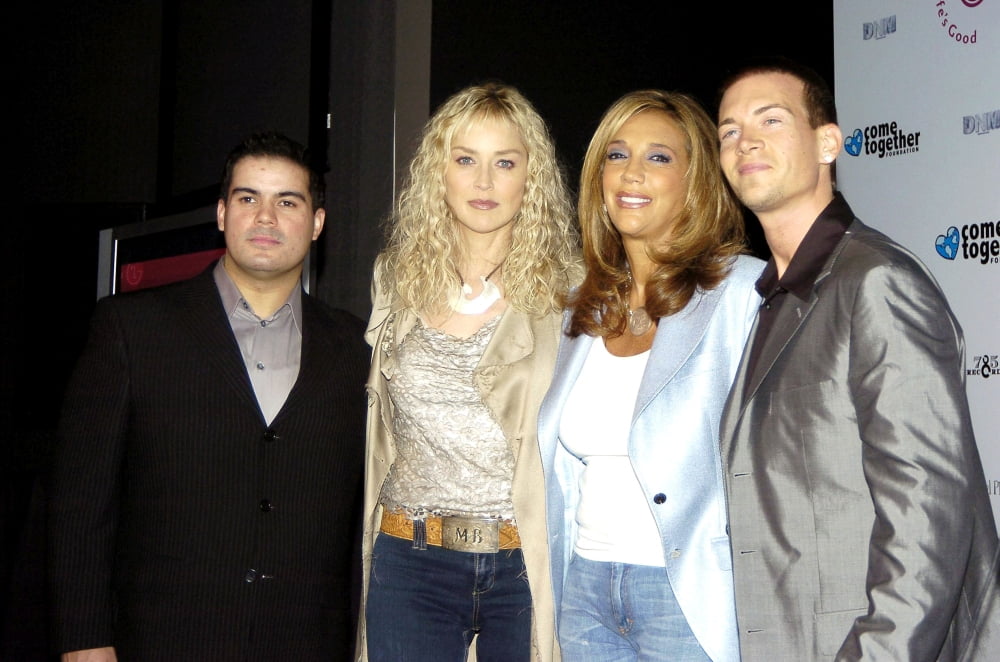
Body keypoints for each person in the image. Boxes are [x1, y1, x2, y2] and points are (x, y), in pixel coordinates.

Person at [715, 56, 1000, 661]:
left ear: (827, 143)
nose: (746, 141)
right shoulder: (769, 300)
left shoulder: (876, 283)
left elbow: (929, 519)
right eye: (729, 131)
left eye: (770, 120)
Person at [46, 131, 369, 661]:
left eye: (287, 202)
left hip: (307, 643)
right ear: (221, 214)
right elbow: (81, 504)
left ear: (316, 223)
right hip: (162, 640)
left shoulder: (359, 350)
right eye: (248, 199)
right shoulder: (131, 330)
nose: (266, 217)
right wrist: (84, 640)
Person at [537, 90, 764, 661]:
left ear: (697, 180)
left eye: (659, 157)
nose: (631, 173)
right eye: (616, 155)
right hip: (585, 592)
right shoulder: (579, 307)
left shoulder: (743, 293)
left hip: (689, 598)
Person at [358, 82, 581, 662]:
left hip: (526, 568)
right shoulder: (395, 278)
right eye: (465, 160)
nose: (484, 182)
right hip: (410, 560)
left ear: (530, 176)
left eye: (504, 162)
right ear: (440, 172)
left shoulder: (572, 289)